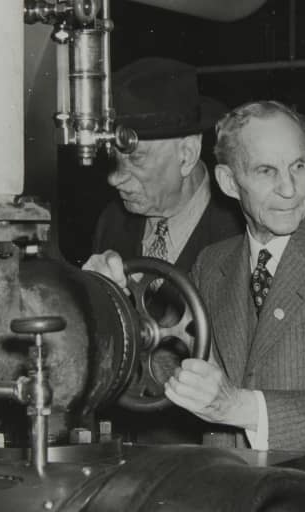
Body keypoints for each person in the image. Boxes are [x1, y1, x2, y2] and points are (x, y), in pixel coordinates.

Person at [86, 101, 305, 511]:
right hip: (234, 498)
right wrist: (110, 302)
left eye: (298, 166)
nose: (289, 189)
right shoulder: (213, 264)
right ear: (229, 182)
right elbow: (161, 366)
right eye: (266, 171)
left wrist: (234, 406)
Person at [90, 57, 245, 444]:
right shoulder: (112, 222)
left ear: (187, 155)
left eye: (136, 157)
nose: (115, 177)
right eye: (113, 158)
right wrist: (89, 296)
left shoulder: (242, 233)